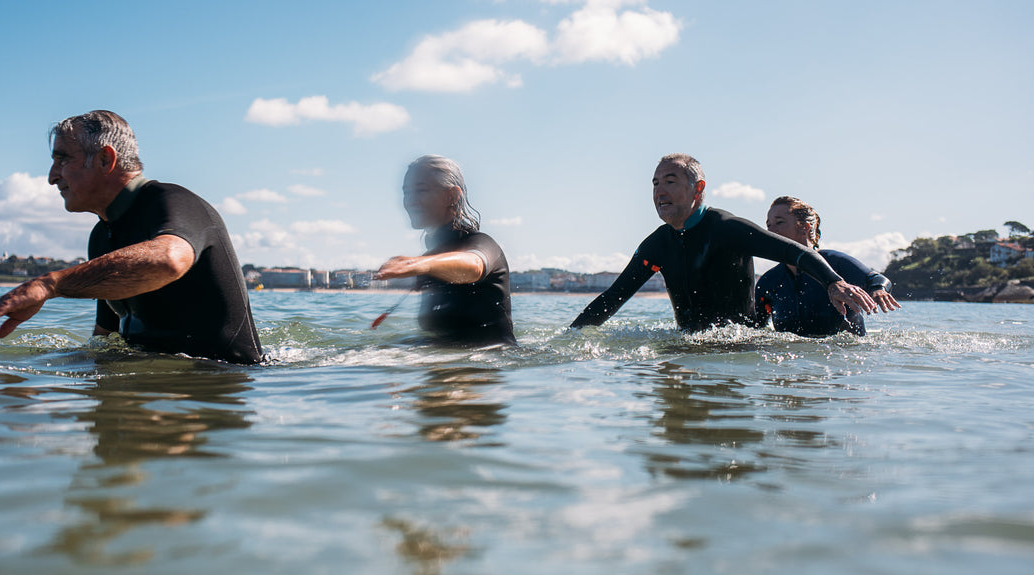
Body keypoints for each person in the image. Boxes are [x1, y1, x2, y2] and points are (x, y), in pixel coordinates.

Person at [0, 110, 263, 365]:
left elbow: (169, 260)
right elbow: (104, 341)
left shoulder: (173, 201)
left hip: (217, 386)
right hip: (154, 387)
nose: (52, 177)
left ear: (105, 159)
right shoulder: (102, 236)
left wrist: (49, 285)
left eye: (62, 160)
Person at [570, 153, 878, 331]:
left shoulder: (727, 229)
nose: (659, 191)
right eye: (655, 184)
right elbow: (612, 298)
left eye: (670, 182)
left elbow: (794, 251)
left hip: (736, 352)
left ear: (698, 188)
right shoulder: (657, 245)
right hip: (689, 348)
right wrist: (568, 339)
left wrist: (834, 283)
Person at [374, 155, 516, 346]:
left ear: (452, 195)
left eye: (421, 190)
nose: (410, 201)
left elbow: (474, 265)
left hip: (490, 361)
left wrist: (419, 264)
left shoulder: (482, 243)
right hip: (444, 358)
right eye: (406, 192)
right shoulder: (431, 260)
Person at [756, 196, 900, 336]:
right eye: (768, 225)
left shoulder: (835, 263)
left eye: (779, 222)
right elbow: (755, 329)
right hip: (790, 352)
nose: (770, 231)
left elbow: (876, 279)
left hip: (844, 350)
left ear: (804, 228)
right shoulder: (768, 281)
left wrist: (879, 290)